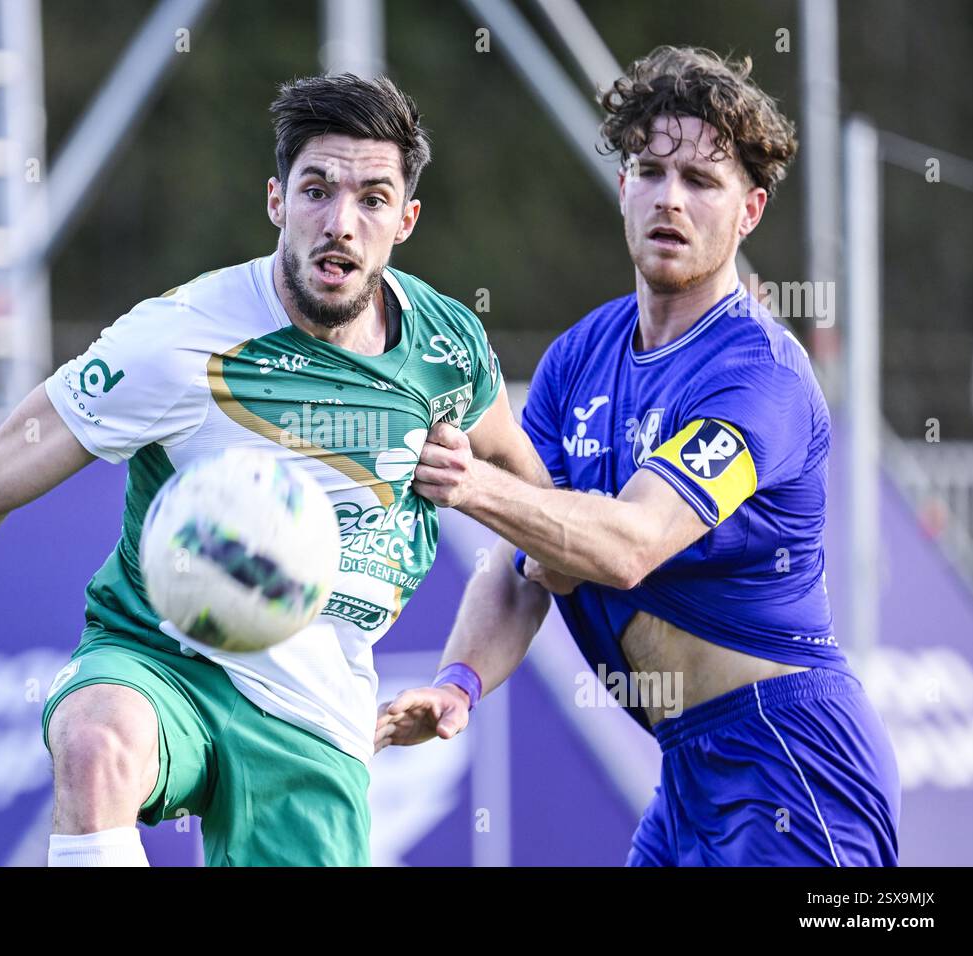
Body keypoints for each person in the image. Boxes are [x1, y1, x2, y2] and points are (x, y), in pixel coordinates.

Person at [0, 73, 548, 867]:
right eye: (316, 190)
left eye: (372, 199)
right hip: (159, 657)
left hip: (316, 714)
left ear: (407, 219)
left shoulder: (448, 348)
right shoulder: (175, 341)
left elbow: (540, 527)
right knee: (94, 744)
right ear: (276, 201)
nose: (340, 225)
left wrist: (461, 677)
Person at [377, 47, 900, 866]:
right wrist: (459, 684)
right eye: (651, 170)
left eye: (702, 181)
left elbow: (626, 547)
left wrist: (473, 483)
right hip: (685, 777)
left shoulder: (758, 374)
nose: (671, 200)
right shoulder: (579, 355)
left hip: (793, 766)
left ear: (750, 211)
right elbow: (524, 561)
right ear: (622, 184)